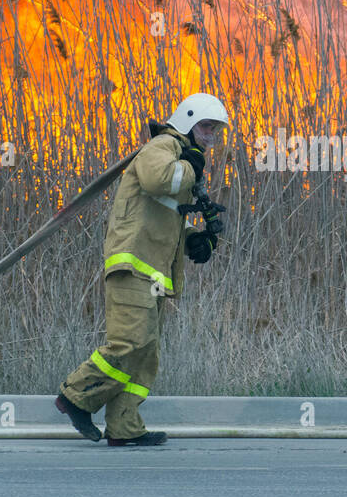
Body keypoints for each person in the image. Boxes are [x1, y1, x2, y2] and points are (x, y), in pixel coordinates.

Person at [54, 93, 229, 446]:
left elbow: (166, 221)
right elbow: (156, 180)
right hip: (133, 265)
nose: (212, 136)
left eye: (215, 130)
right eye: (207, 127)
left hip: (154, 272)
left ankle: (124, 428)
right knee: (129, 342)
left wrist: (199, 239)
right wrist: (191, 165)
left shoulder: (183, 158)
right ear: (188, 121)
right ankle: (75, 397)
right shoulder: (163, 146)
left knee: (145, 353)